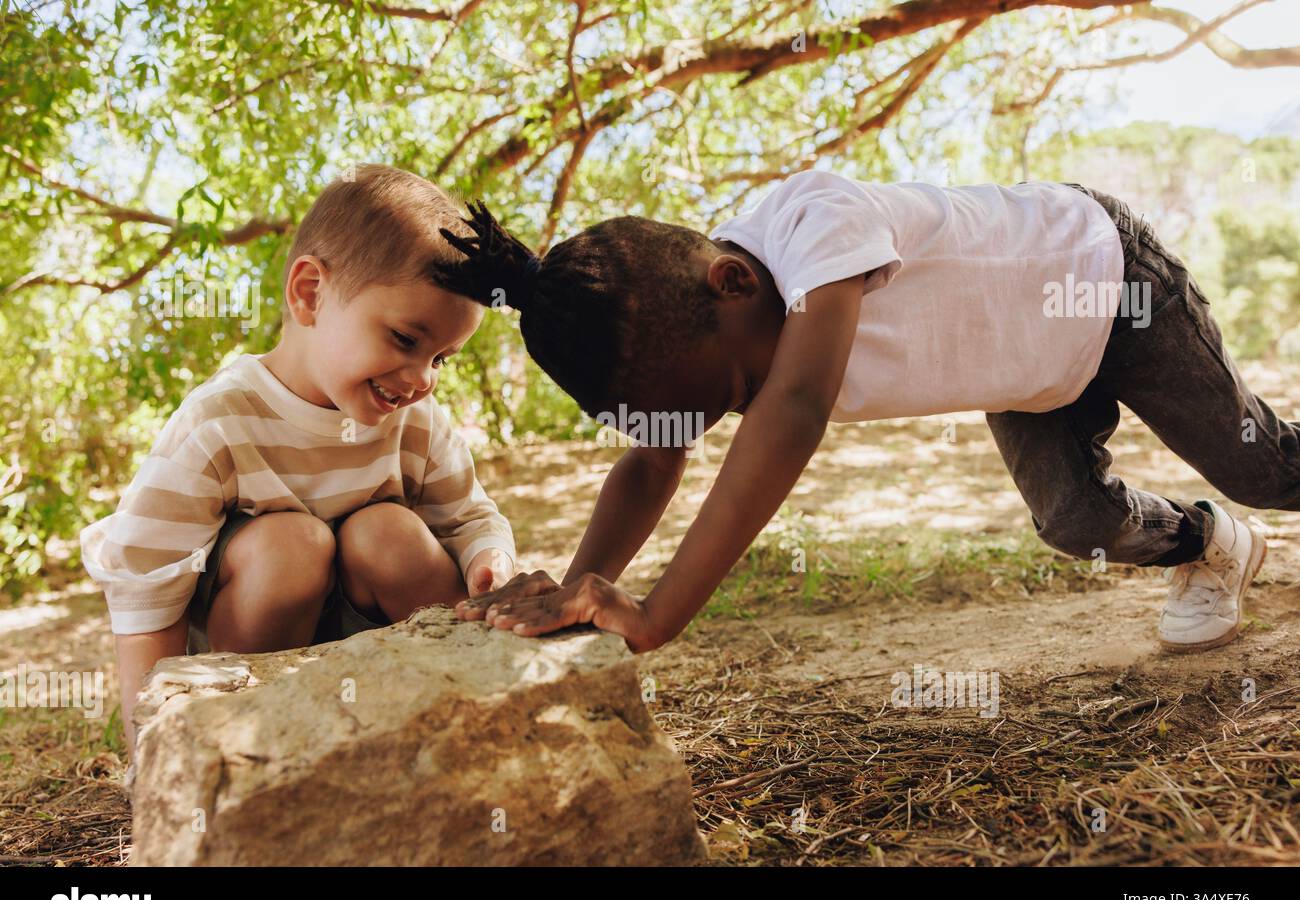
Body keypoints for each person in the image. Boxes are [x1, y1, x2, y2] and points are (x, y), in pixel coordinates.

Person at [436, 171, 1279, 656]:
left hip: (1105, 279)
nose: (747, 406)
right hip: (1029, 369)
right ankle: (1215, 544)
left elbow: (795, 412)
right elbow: (657, 460)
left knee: (1260, 465)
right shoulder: (720, 321)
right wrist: (580, 587)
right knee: (1074, 519)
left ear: (734, 283)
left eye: (736, 391)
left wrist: (657, 616)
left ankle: (1250, 500)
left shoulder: (814, 222)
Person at [80, 165, 515, 761]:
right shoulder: (220, 421)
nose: (422, 380)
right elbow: (145, 588)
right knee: (292, 546)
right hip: (255, 669)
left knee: (388, 531)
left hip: (384, 662)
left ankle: (467, 712)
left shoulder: (414, 421)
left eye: (443, 359)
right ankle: (258, 752)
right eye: (406, 340)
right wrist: (152, 757)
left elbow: (469, 518)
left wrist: (491, 559)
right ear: (309, 293)